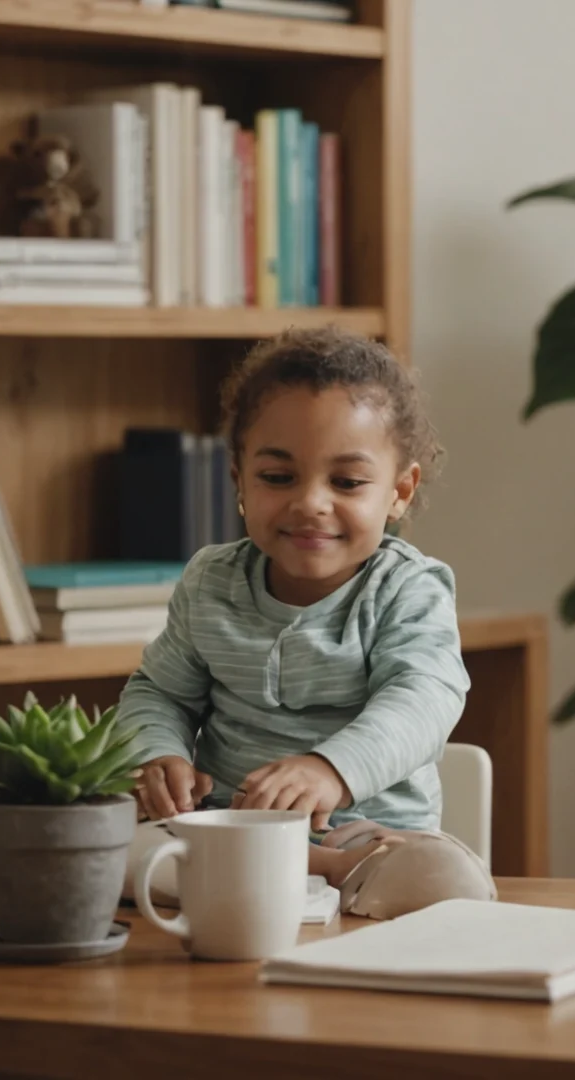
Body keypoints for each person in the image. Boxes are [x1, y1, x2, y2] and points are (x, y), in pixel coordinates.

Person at [120, 327, 471, 886]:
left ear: (399, 493)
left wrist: (332, 769)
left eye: (348, 481)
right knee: (111, 853)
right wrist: (158, 753)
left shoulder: (408, 589)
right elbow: (158, 691)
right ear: (239, 481)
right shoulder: (211, 582)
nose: (310, 503)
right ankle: (290, 872)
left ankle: (326, 869)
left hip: (366, 834)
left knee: (442, 876)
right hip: (224, 831)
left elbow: (425, 697)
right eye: (278, 478)